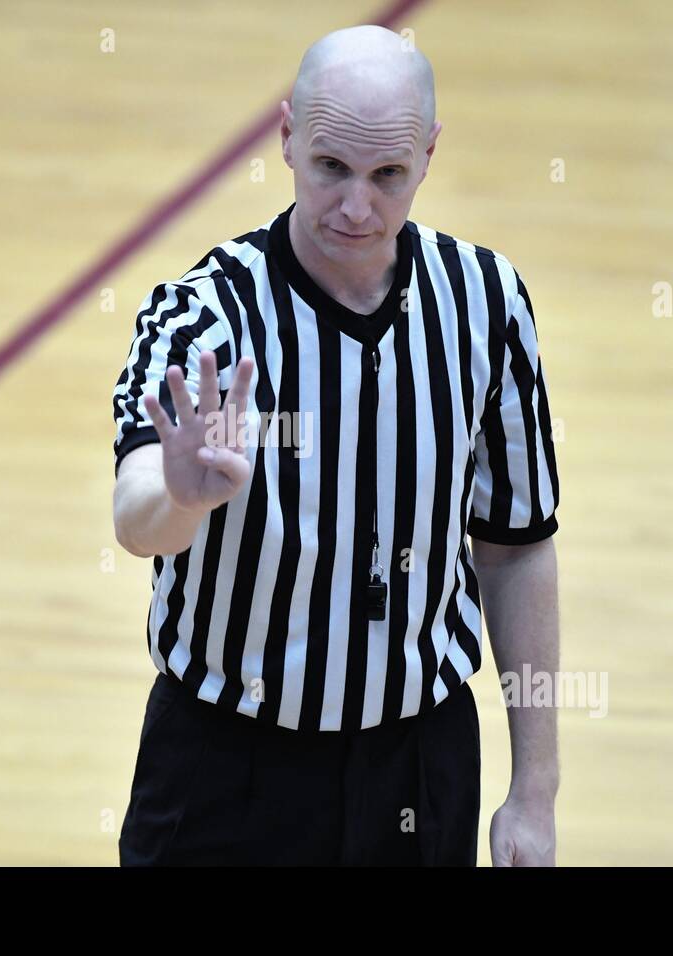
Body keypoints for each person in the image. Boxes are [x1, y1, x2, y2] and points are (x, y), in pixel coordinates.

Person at [111, 24, 560, 866]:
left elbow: (518, 546)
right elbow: (137, 521)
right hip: (224, 769)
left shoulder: (487, 304)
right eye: (331, 169)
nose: (357, 208)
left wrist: (534, 791)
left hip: (418, 766)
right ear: (286, 139)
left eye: (388, 175)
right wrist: (178, 497)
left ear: (429, 155)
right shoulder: (206, 316)